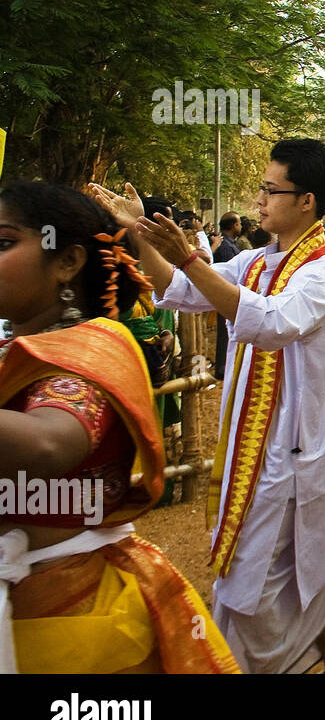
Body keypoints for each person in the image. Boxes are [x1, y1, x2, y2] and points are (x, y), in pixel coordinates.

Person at [90, 138, 325, 673]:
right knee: (251, 577)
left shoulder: (321, 276)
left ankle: (302, 656)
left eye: (269, 189)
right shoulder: (257, 262)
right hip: (250, 450)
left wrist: (189, 254)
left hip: (289, 455)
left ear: (306, 201)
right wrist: (140, 236)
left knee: (254, 586)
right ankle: (317, 653)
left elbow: (273, 324)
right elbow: (182, 290)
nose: (259, 200)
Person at [0, 181, 238, 673]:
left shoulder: (86, 351)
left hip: (70, 614)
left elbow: (49, 443)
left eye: (4, 243)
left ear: (67, 262)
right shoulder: (23, 349)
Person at [212, 212, 244, 380]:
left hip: (228, 295)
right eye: (239, 224)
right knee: (225, 333)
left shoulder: (228, 244)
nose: (241, 227)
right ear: (233, 226)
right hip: (226, 294)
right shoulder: (225, 247)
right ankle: (222, 368)